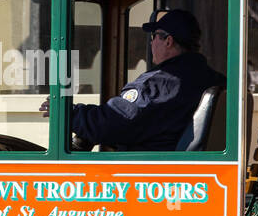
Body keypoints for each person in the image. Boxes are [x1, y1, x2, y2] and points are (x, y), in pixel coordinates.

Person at [60, 8, 224, 151]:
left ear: (168, 41)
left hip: (150, 175)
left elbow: (114, 122)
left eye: (154, 36)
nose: (151, 42)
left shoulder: (158, 83)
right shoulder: (213, 79)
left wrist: (69, 113)